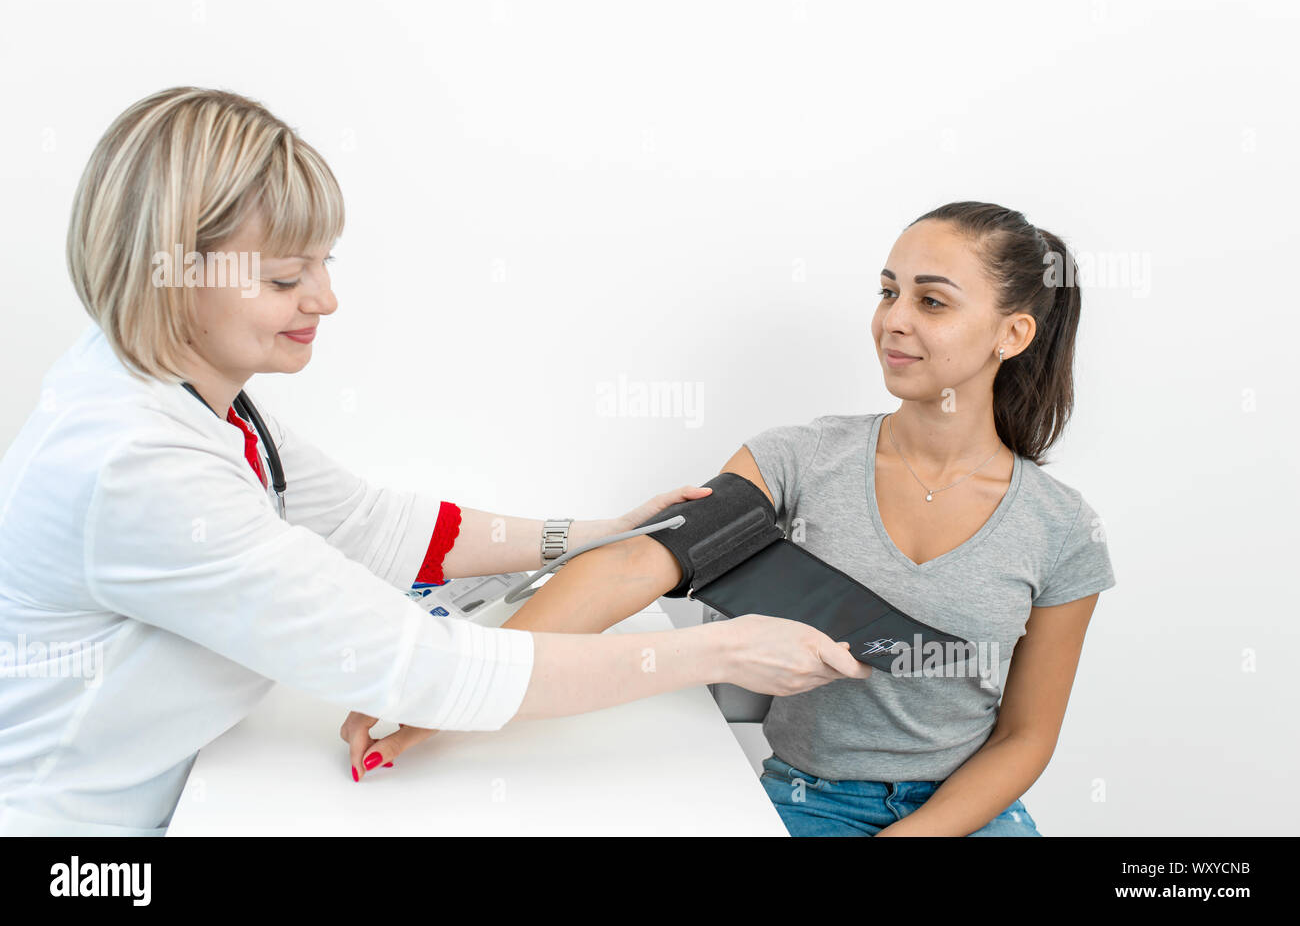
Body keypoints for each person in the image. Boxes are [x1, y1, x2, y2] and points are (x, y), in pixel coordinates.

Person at [0, 86, 870, 836]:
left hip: (183, 788)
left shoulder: (189, 392)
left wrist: (589, 534)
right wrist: (716, 656)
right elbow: (428, 669)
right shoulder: (132, 465)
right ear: (172, 274)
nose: (325, 299)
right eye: (282, 278)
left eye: (323, 264)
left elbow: (371, 526)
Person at [408, 201, 1119, 837]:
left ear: (1013, 333)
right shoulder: (796, 461)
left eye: (932, 302)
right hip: (811, 803)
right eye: (887, 291)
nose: (892, 319)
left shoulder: (1061, 529)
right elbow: (638, 561)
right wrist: (454, 687)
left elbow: (1026, 736)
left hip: (971, 814)